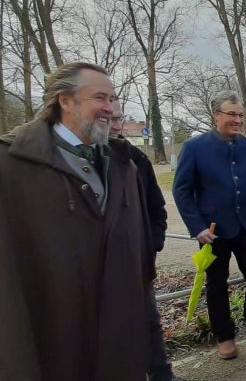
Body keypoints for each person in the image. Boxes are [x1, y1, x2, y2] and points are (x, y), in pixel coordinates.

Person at [0, 62, 151, 379]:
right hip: (54, 335)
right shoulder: (12, 165)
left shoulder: (124, 165)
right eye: (100, 98)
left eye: (112, 99)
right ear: (65, 101)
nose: (109, 108)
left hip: (117, 336)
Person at [173, 93, 246, 360]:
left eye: (241, 115)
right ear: (216, 115)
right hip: (212, 231)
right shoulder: (194, 148)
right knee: (216, 284)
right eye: (232, 114)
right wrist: (197, 228)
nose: (238, 120)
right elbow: (182, 191)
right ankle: (225, 337)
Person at [109, 101, 176, 379]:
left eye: (118, 118)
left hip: (136, 262)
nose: (114, 124)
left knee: (149, 322)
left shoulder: (135, 158)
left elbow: (156, 207)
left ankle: (162, 375)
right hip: (91, 267)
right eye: (110, 118)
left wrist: (152, 244)